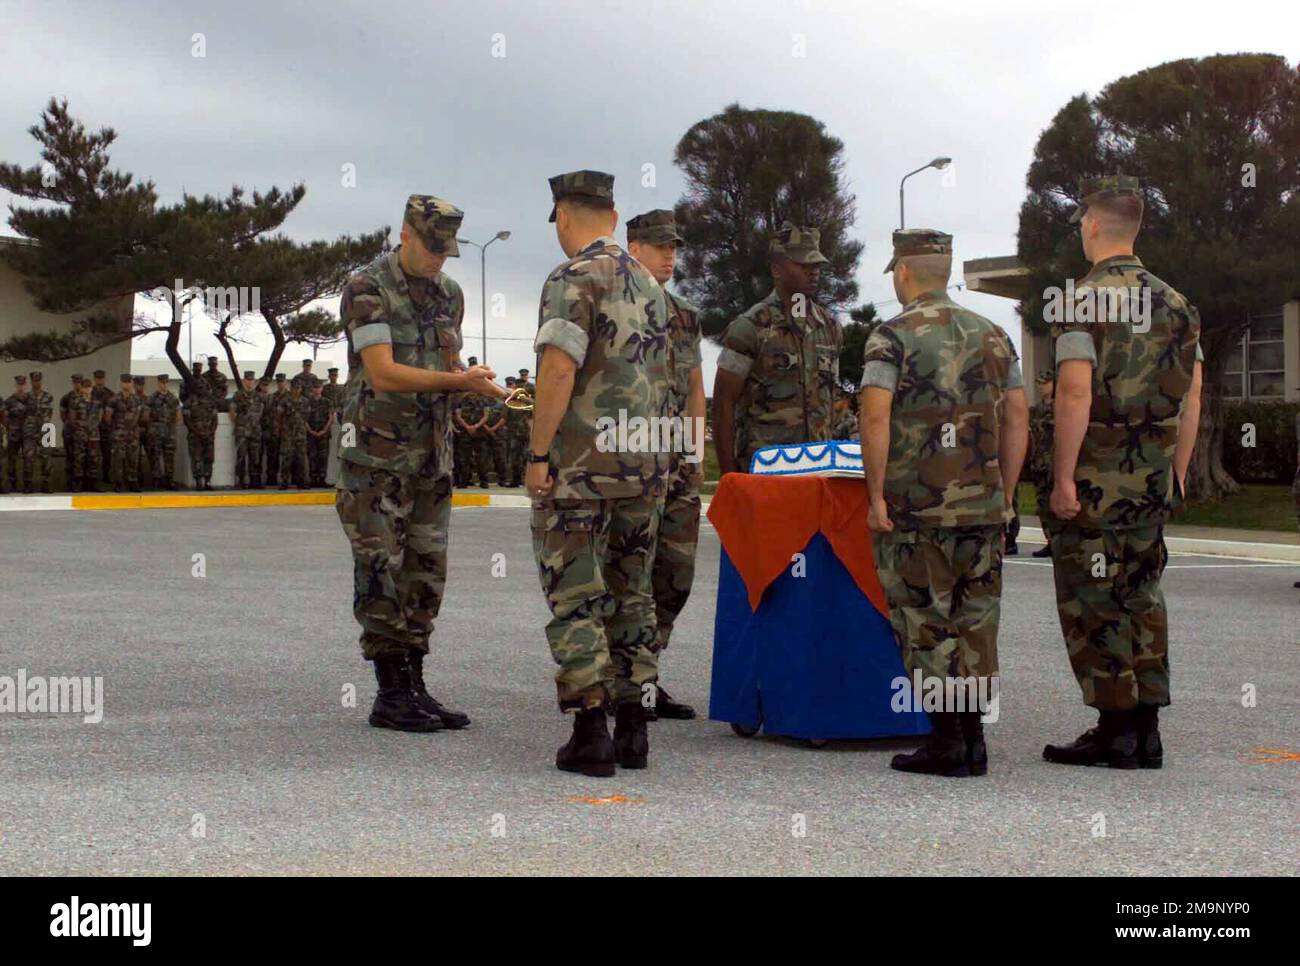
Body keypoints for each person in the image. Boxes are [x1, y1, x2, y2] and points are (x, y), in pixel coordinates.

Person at [1042, 175, 1202, 770]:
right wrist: (1176, 474)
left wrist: (1062, 479)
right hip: (1152, 480)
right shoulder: (1178, 304)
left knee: (1094, 599)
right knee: (1143, 595)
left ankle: (1114, 729)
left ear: (1091, 225)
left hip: (1096, 483)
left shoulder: (1078, 300)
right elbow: (1192, 398)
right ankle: (1147, 728)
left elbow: (1075, 394)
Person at [335, 193, 504, 733]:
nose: (440, 259)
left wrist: (483, 385)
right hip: (376, 459)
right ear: (404, 233)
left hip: (432, 456)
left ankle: (415, 684)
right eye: (432, 248)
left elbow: (450, 360)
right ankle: (389, 694)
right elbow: (383, 373)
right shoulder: (367, 288)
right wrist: (458, 380)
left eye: (447, 250)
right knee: (381, 570)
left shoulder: (449, 294)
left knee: (425, 574)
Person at [861, 229, 1027, 777]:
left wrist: (876, 495)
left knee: (923, 618)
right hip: (982, 505)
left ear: (903, 273)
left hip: (917, 507)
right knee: (977, 618)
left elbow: (875, 415)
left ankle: (947, 739)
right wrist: (1004, 491)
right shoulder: (996, 335)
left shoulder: (892, 336)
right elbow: (1019, 416)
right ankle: (973, 737)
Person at [527, 170, 669, 776]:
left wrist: (537, 456)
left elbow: (558, 371)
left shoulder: (570, 278)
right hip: (645, 465)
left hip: (581, 468)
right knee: (632, 591)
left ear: (562, 214)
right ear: (613, 217)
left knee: (577, 590)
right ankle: (634, 728)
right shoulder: (653, 288)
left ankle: (591, 732)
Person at [627, 208, 703, 720]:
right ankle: (624, 682)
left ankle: (647, 675)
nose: (670, 255)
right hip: (627, 461)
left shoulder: (684, 314)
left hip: (675, 460)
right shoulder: (615, 307)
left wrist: (695, 451)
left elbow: (696, 385)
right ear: (634, 249)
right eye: (659, 246)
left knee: (674, 573)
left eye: (674, 246)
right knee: (628, 572)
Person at [712, 222, 842, 475]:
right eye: (803, 265)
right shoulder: (750, 328)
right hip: (765, 471)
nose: (813, 272)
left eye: (816, 265)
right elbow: (722, 405)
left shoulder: (831, 328)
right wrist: (730, 477)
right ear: (777, 270)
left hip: (819, 470)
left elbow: (832, 401)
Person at [1027, 371, 1056, 558]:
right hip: (1039, 462)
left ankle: (1060, 541)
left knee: (1056, 504)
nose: (1041, 387)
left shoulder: (1060, 406)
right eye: (1039, 383)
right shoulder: (1036, 409)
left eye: (1044, 383)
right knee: (1042, 504)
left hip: (1053, 462)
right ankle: (1050, 541)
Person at [106, 373, 142, 492]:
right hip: (119, 434)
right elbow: (108, 418)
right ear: (121, 383)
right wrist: (116, 429)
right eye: (124, 382)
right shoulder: (114, 399)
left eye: (129, 382)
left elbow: (139, 416)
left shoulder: (137, 399)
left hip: (132, 435)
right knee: (118, 460)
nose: (127, 384)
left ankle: (133, 482)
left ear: (132, 384)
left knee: (133, 459)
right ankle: (118, 483)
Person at [183, 375, 218, 490]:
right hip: (195, 436)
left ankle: (207, 482)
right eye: (199, 386)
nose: (201, 388)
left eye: (203, 386)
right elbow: (186, 420)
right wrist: (197, 431)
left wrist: (210, 432)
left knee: (209, 459)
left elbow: (215, 420)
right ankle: (198, 482)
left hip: (209, 436)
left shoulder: (210, 401)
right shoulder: (189, 401)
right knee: (196, 459)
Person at [232, 371, 264, 489]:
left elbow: (262, 412)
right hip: (242, 431)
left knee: (255, 456)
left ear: (254, 382)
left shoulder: (259, 397)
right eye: (247, 380)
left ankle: (254, 480)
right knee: (241, 456)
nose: (249, 382)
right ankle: (241, 481)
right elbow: (232, 411)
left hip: (255, 431)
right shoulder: (238, 395)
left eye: (251, 380)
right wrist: (239, 423)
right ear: (243, 381)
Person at [24, 371, 54, 493]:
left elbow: (50, 413)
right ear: (31, 382)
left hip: (46, 430)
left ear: (41, 381)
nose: (37, 383)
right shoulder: (26, 397)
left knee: (47, 458)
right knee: (28, 457)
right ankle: (28, 485)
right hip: (30, 430)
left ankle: (46, 485)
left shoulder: (48, 396)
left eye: (39, 380)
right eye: (34, 380)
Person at [148, 374, 180, 489]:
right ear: (158, 383)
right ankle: (156, 480)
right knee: (156, 456)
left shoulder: (173, 398)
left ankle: (169, 480)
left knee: (169, 456)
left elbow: (177, 414)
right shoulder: (152, 397)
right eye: (162, 383)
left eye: (166, 383)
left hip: (169, 431)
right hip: (156, 431)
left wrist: (172, 425)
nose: (164, 385)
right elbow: (147, 415)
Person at [277, 380, 310, 489]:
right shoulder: (284, 401)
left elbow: (307, 417)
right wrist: (282, 429)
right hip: (288, 434)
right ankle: (284, 482)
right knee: (286, 458)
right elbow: (279, 416)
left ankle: (302, 482)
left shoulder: (305, 401)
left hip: (300, 434)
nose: (297, 390)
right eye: (295, 388)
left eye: (299, 388)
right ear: (291, 389)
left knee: (302, 459)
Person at [305, 382, 334, 486]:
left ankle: (322, 479)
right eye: (315, 387)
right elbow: (304, 419)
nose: (317, 390)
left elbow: (331, 417)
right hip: (310, 434)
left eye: (318, 387)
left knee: (323, 457)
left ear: (322, 389)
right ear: (312, 389)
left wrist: (324, 430)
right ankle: (313, 479)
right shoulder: (307, 402)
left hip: (323, 435)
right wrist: (310, 431)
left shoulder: (327, 402)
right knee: (312, 457)